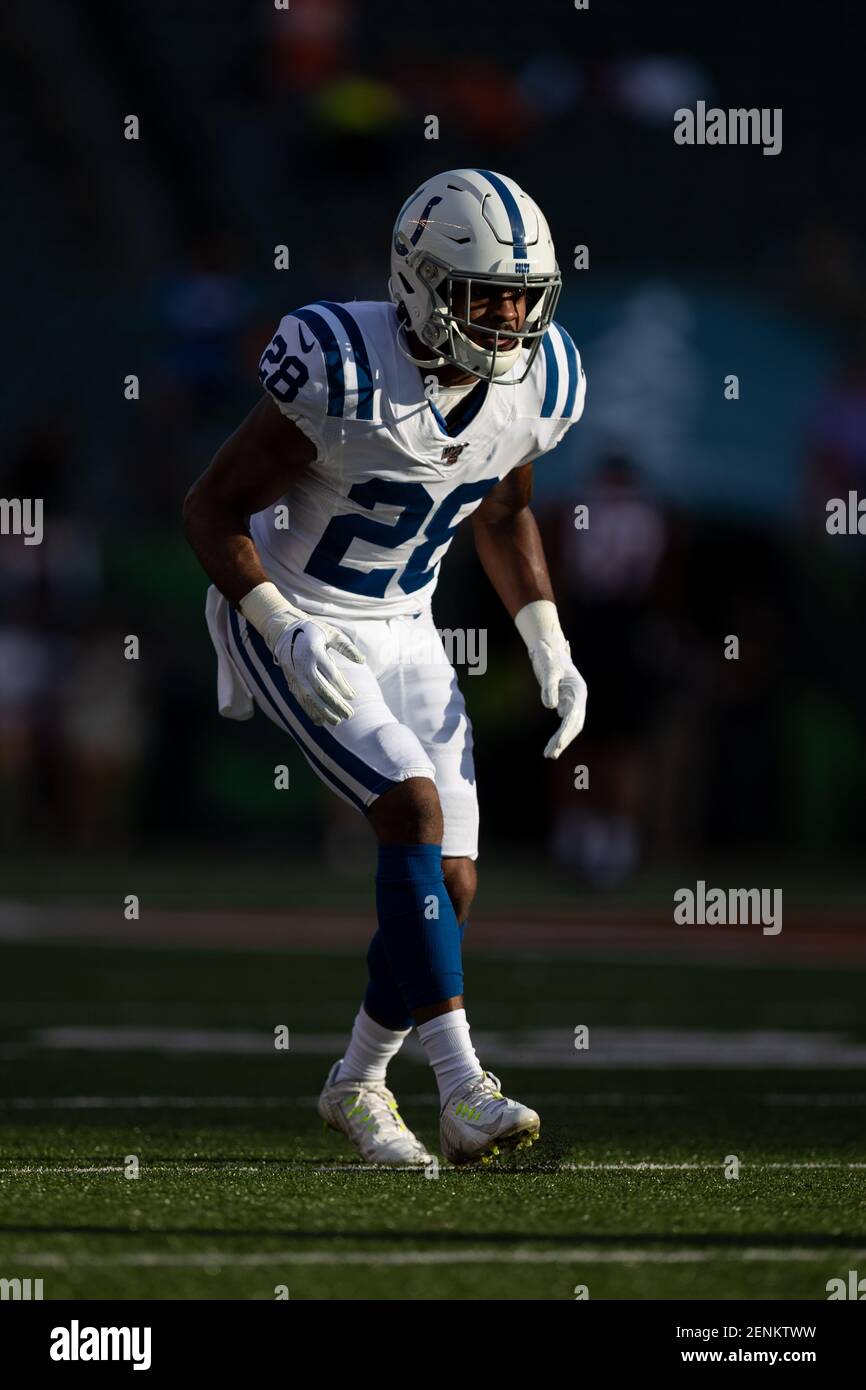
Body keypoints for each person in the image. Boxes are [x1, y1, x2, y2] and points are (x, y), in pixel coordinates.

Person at [183, 168, 588, 1166]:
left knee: (447, 880)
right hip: (291, 613)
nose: (505, 319)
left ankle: (356, 1084)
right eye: (483, 294)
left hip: (404, 626)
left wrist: (545, 634)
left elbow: (499, 509)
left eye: (521, 296)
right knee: (406, 807)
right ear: (417, 282)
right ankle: (463, 1086)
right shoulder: (340, 364)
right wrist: (276, 623)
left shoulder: (538, 382)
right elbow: (208, 508)